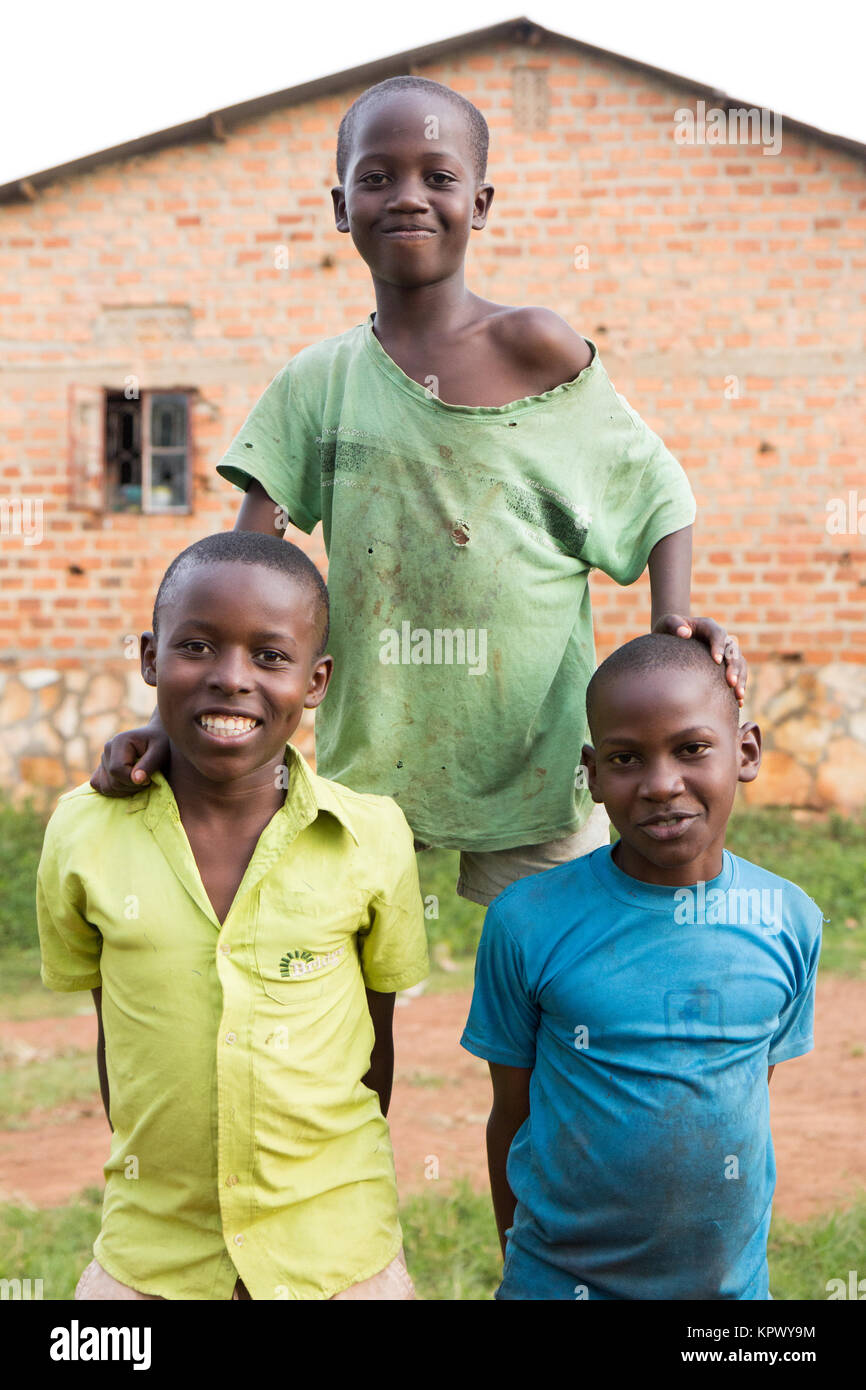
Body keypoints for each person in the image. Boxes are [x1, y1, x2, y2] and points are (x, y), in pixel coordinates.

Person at [91, 74, 746, 907]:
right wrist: (165, 723)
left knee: (555, 980)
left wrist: (671, 623)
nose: (408, 197)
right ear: (340, 205)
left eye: (438, 176)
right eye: (378, 176)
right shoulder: (317, 385)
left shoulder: (535, 347)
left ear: (480, 202)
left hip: (534, 754)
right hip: (376, 755)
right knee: (351, 1003)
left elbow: (656, 489)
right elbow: (244, 572)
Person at [37, 531, 429, 1301]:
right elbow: (116, 1034)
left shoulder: (372, 836)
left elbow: (373, 1058)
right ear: (151, 659)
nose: (230, 678)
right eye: (197, 647)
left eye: (270, 657)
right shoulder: (81, 833)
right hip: (154, 1251)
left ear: (316, 681)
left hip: (335, 1251)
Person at [461, 633, 822, 1300]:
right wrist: (523, 1264)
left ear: (745, 751)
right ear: (593, 775)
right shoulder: (526, 922)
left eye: (691, 749)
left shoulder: (788, 919)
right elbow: (510, 1113)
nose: (661, 784)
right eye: (627, 758)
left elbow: (746, 1089)